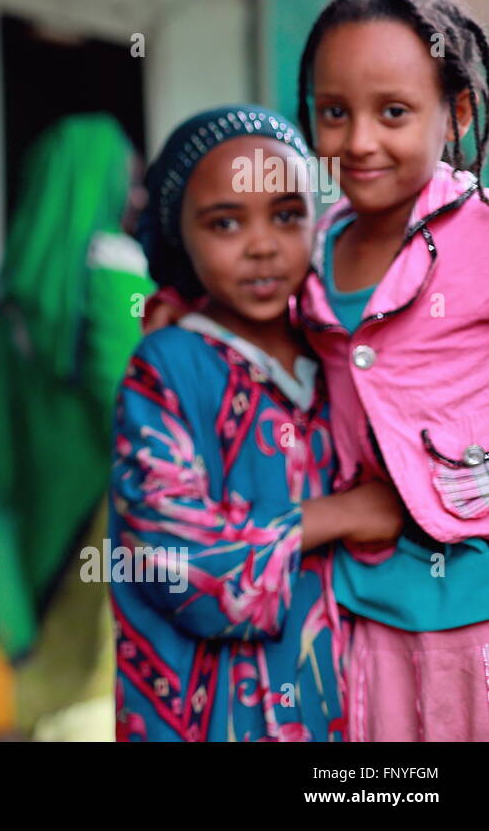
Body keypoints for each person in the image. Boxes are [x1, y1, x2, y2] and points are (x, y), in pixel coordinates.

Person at [147, 0, 489, 741]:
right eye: (335, 113)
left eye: (393, 112)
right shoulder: (318, 247)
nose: (359, 141)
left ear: (456, 113)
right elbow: (261, 300)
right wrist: (185, 308)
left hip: (478, 604)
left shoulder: (478, 237)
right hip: (365, 609)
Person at [111, 105, 406, 741]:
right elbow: (173, 564)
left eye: (287, 214)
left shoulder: (339, 353)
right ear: (179, 236)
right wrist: (345, 513)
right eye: (224, 222)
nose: (263, 244)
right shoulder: (167, 367)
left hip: (343, 711)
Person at [0, 113, 151, 737]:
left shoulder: (14, 287)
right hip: (103, 514)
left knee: (50, 678)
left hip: (35, 511)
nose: (138, 196)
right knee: (100, 683)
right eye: (129, 179)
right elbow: (131, 400)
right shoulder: (113, 268)